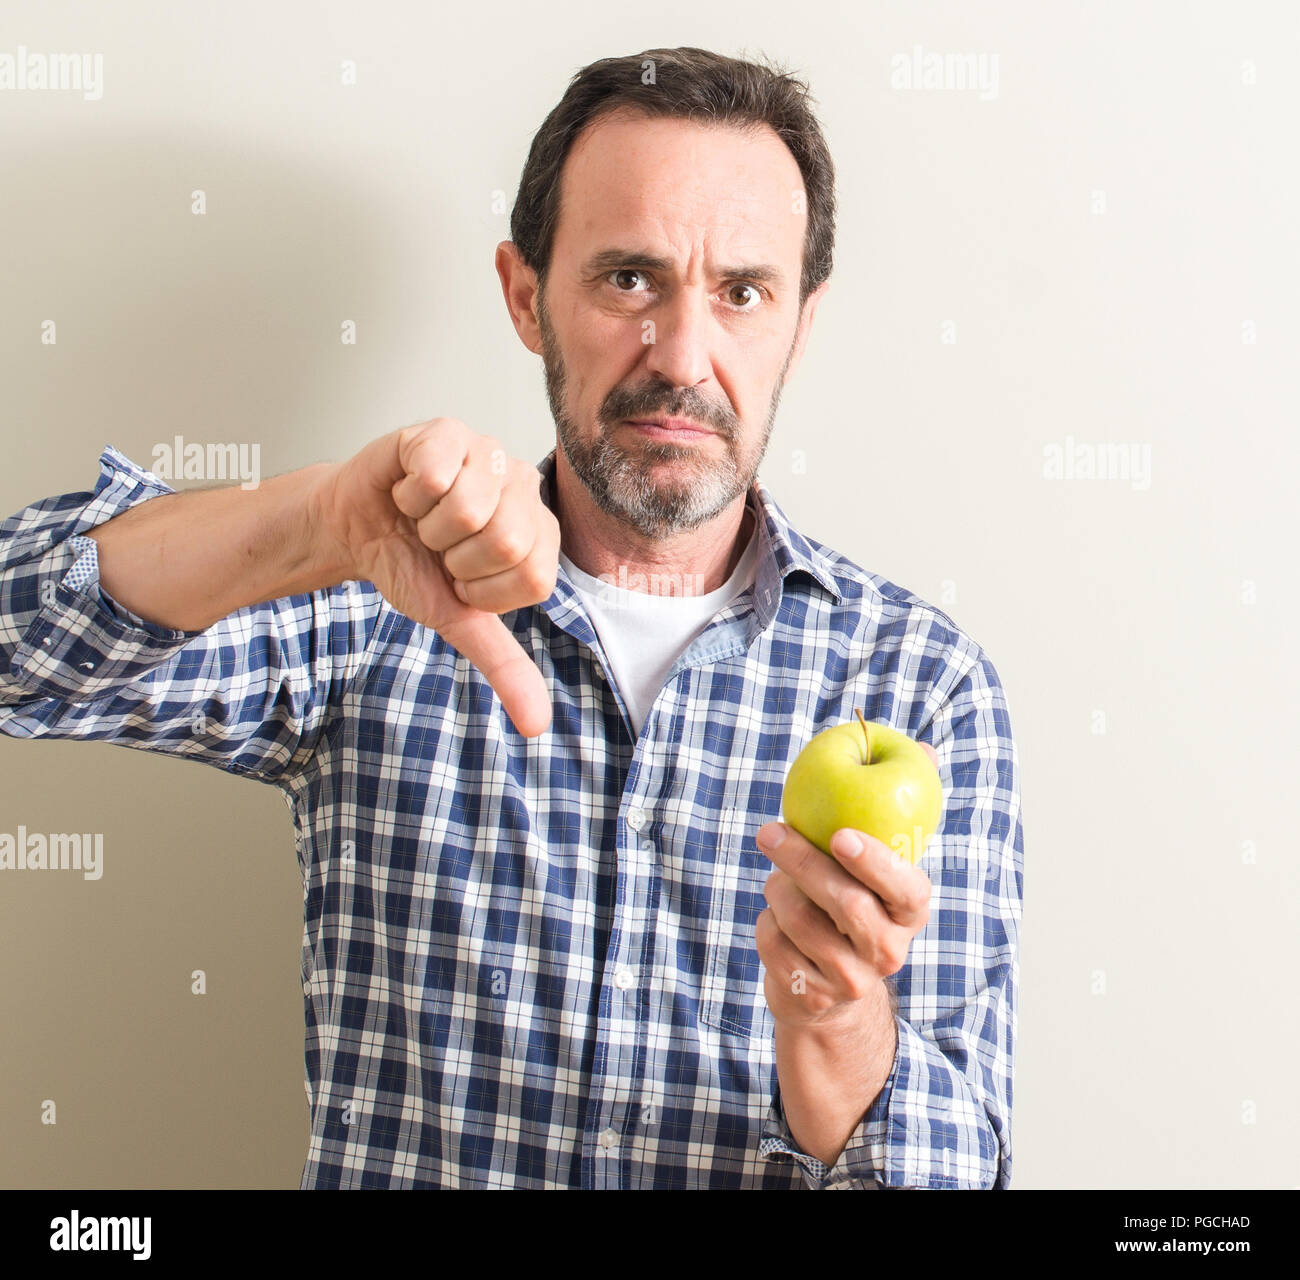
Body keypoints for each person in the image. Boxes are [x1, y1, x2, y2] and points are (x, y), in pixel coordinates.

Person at [0, 46, 1023, 1189]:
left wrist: (836, 1026)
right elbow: (18, 651)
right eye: (628, 278)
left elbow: (957, 1172)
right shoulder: (376, 593)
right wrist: (310, 521)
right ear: (526, 296)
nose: (682, 356)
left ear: (799, 321)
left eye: (742, 291)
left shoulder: (921, 687)